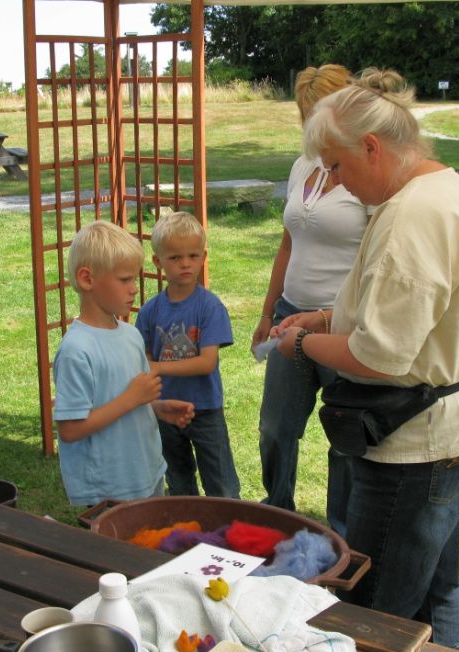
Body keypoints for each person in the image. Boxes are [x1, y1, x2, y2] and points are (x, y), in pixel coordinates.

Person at [272, 68, 459, 650]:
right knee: (435, 591)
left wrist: (298, 343)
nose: (336, 182)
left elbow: (378, 356)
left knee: (374, 610)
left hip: (418, 447)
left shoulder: (411, 216)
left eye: (338, 166)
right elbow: (414, 311)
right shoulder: (437, 187)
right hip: (450, 432)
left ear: (372, 147)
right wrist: (326, 318)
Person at [251, 64, 371, 535]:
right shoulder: (303, 165)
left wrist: (327, 317)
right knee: (275, 427)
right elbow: (288, 244)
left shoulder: (367, 176)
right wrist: (268, 311)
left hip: (341, 323)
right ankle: (277, 513)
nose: (313, 131)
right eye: (307, 119)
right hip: (289, 315)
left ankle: (343, 532)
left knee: (344, 435)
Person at [53, 220, 195, 506]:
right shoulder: (76, 350)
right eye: (125, 280)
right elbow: (70, 430)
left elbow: (128, 398)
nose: (134, 289)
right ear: (87, 279)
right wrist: (132, 399)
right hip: (109, 488)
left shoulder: (131, 335)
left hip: (147, 472)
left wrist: (156, 408)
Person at [135, 211, 240, 498]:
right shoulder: (150, 311)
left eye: (193, 256)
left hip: (205, 408)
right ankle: (187, 522)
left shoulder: (209, 307)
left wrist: (158, 367)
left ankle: (229, 523)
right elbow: (142, 357)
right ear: (158, 262)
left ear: (203, 257)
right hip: (166, 410)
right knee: (178, 480)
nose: (185, 264)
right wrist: (151, 371)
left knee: (221, 484)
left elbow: (207, 362)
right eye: (175, 257)